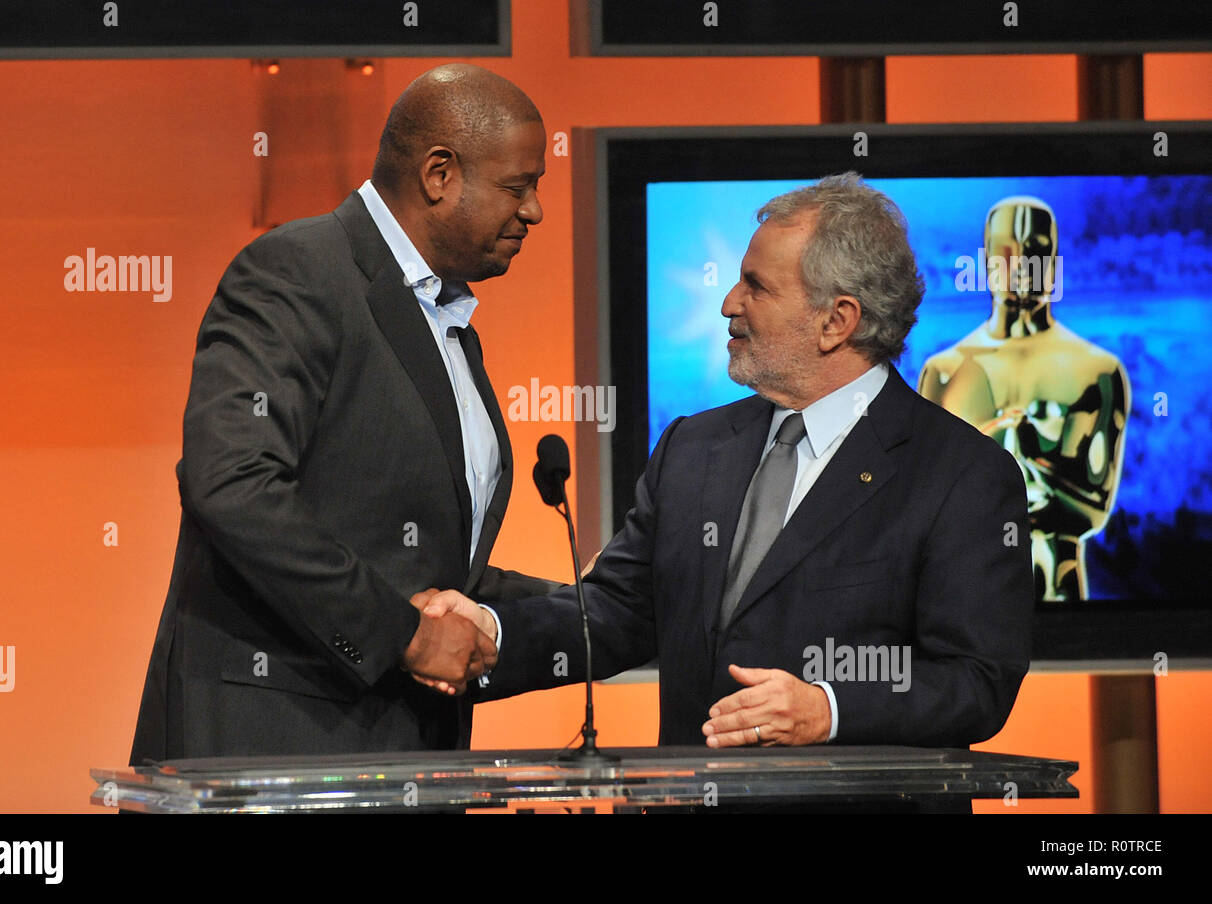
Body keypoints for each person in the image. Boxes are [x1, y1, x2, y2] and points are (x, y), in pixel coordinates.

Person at [417, 173, 1034, 753]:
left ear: (836, 321)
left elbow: (977, 681)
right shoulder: (694, 447)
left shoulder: (961, 474)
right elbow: (618, 613)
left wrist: (830, 708)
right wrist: (491, 634)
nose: (728, 304)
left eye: (756, 287)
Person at [129, 63, 555, 764]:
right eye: (519, 187)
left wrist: (603, 615)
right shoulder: (297, 271)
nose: (534, 211)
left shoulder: (444, 321)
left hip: (401, 758)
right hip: (276, 754)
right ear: (439, 174)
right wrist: (404, 634)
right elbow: (232, 483)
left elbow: (425, 566)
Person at [918, 196, 1129, 601]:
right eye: (1006, 251)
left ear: (1052, 261)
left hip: (1057, 595)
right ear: (986, 261)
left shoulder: (1095, 371)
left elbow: (1095, 507)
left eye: (1034, 251)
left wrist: (1026, 464)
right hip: (965, 607)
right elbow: (927, 512)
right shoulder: (944, 372)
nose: (1020, 267)